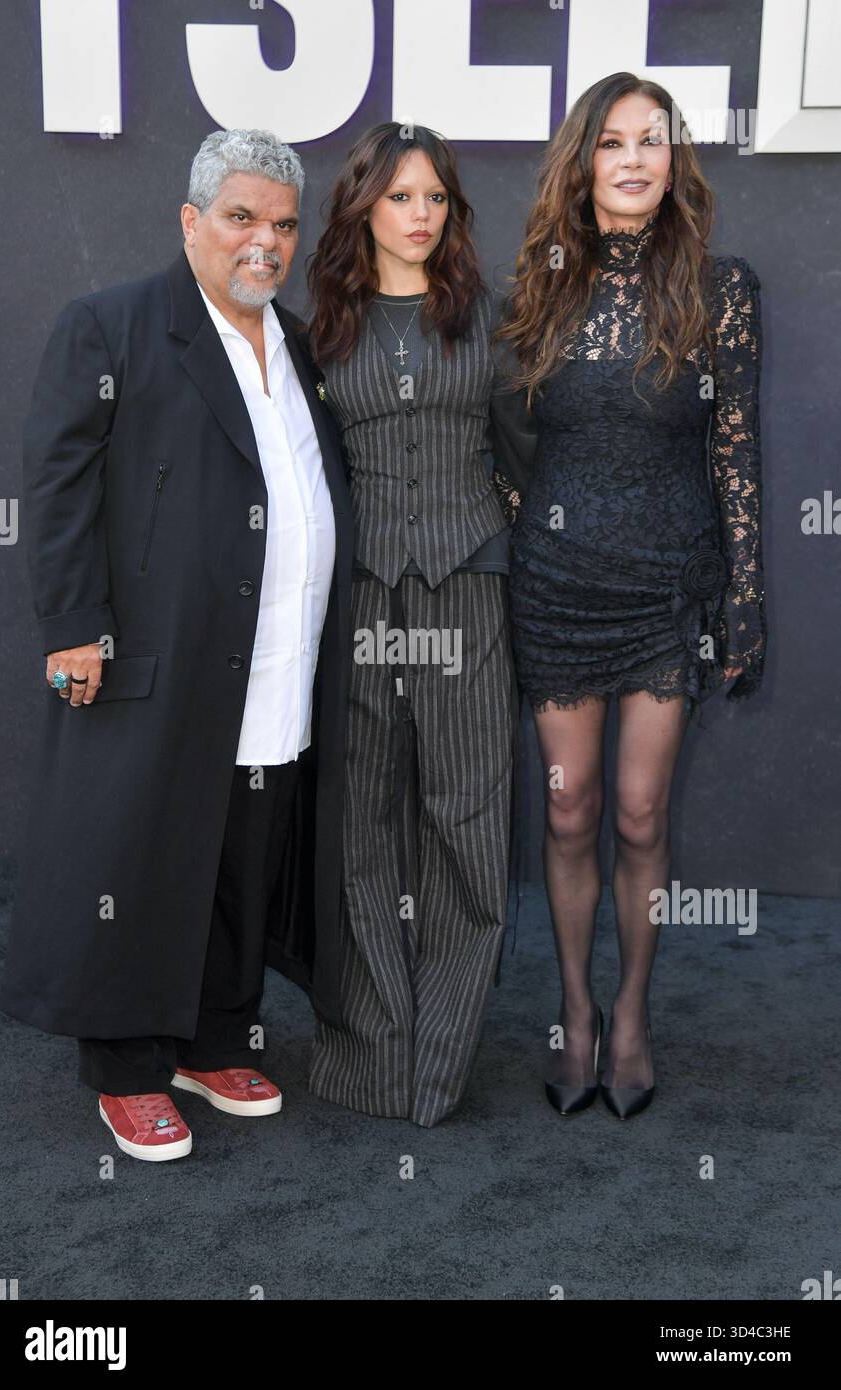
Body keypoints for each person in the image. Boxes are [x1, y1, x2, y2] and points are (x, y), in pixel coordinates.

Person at [0, 129, 352, 1161]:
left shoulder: (298, 346)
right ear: (191, 222)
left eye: (284, 224)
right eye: (242, 218)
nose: (265, 242)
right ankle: (126, 1068)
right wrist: (72, 628)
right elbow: (57, 485)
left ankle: (210, 1034)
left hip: (277, 656)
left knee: (241, 848)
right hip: (155, 654)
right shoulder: (111, 326)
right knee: (138, 852)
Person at [493, 73, 766, 1119]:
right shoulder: (537, 286)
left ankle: (633, 1014)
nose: (634, 159)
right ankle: (571, 1012)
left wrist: (743, 591)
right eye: (613, 142)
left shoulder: (718, 286)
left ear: (673, 159)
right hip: (558, 582)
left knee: (640, 810)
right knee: (567, 808)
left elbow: (733, 449)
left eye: (652, 141)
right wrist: (528, 525)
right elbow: (506, 444)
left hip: (666, 582)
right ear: (584, 160)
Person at [304, 123, 520, 1128]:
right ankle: (366, 1055)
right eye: (400, 197)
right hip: (358, 601)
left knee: (464, 825)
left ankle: (434, 1065)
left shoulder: (488, 317)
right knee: (358, 828)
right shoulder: (324, 329)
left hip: (465, 591)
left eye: (435, 197)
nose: (421, 214)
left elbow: (525, 453)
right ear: (362, 207)